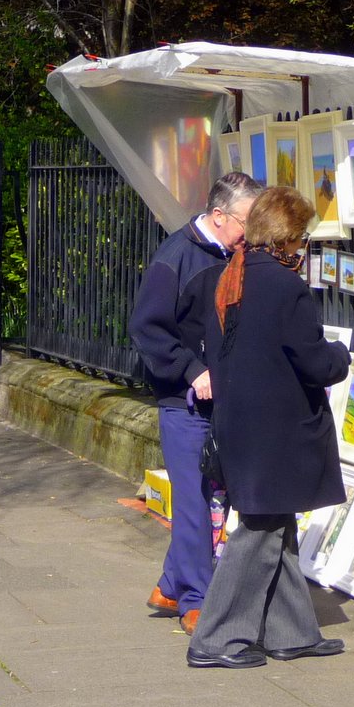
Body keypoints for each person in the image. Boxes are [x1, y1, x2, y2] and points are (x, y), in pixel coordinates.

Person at [184, 186, 351, 670]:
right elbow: (315, 362)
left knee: (277, 525)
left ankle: (290, 632)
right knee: (258, 532)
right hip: (278, 431)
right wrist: (341, 356)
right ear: (285, 238)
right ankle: (215, 638)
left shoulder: (225, 278)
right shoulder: (285, 286)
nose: (301, 250)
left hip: (239, 424)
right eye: (299, 240)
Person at [126, 171, 262, 635]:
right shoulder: (176, 258)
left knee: (205, 495)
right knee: (195, 500)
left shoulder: (236, 254)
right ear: (219, 215)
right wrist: (191, 371)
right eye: (248, 221)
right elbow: (148, 329)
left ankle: (170, 585)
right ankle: (197, 602)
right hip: (182, 401)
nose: (253, 232)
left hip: (223, 396)